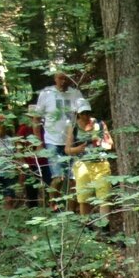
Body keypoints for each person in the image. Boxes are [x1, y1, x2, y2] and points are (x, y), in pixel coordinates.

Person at [31, 70, 89, 205]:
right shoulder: (46, 93)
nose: (63, 82)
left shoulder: (75, 94)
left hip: (72, 141)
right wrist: (38, 143)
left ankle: (71, 209)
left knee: (74, 179)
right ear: (55, 79)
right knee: (58, 178)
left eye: (65, 79)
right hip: (52, 141)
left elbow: (84, 115)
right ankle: (54, 205)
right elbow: (36, 119)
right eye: (60, 78)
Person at [68, 109, 113, 218]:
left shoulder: (100, 124)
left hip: (100, 162)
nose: (86, 115)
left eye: (88, 112)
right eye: (83, 113)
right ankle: (86, 224)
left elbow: (110, 144)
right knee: (83, 198)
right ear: (78, 114)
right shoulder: (74, 127)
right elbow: (67, 149)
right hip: (81, 164)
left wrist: (100, 142)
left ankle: (104, 225)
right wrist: (78, 149)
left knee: (104, 197)